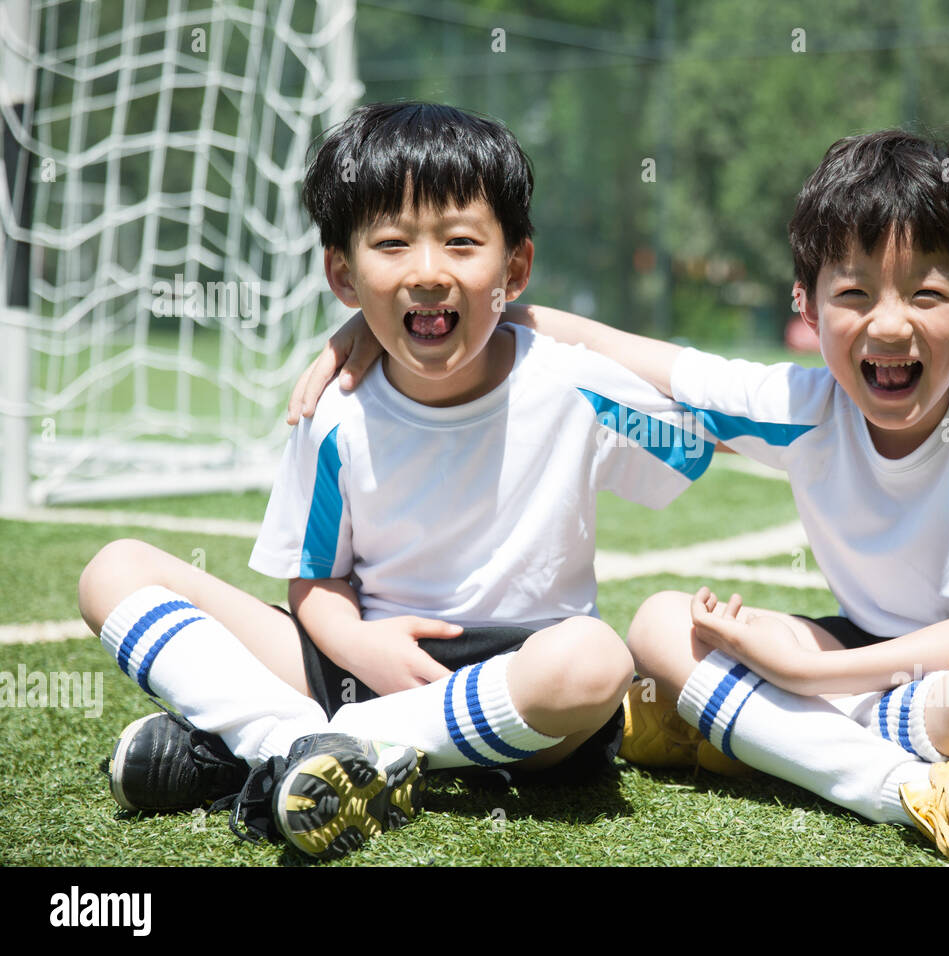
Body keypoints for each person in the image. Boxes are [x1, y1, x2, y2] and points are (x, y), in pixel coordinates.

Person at [299, 129, 949, 867]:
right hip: (878, 666)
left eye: (926, 295)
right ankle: (887, 774)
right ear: (806, 306)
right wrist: (378, 325)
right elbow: (625, 350)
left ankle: (759, 733)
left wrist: (811, 671)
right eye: (853, 295)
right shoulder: (800, 406)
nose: (888, 326)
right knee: (661, 623)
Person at [77, 102, 715, 860]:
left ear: (514, 267)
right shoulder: (334, 411)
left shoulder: (572, 384)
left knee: (597, 659)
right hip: (364, 664)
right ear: (343, 274)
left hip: (523, 687)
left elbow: (707, 428)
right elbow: (316, 583)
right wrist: (361, 646)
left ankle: (294, 748)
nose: (427, 272)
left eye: (461, 243)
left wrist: (539, 323)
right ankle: (293, 747)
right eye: (391, 244)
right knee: (113, 571)